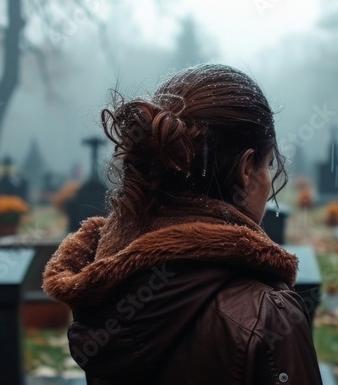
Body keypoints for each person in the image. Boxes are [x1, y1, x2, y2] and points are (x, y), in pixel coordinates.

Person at [44, 64, 322, 384]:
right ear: (246, 169)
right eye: (268, 164)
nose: (268, 179)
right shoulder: (266, 316)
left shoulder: (108, 284)